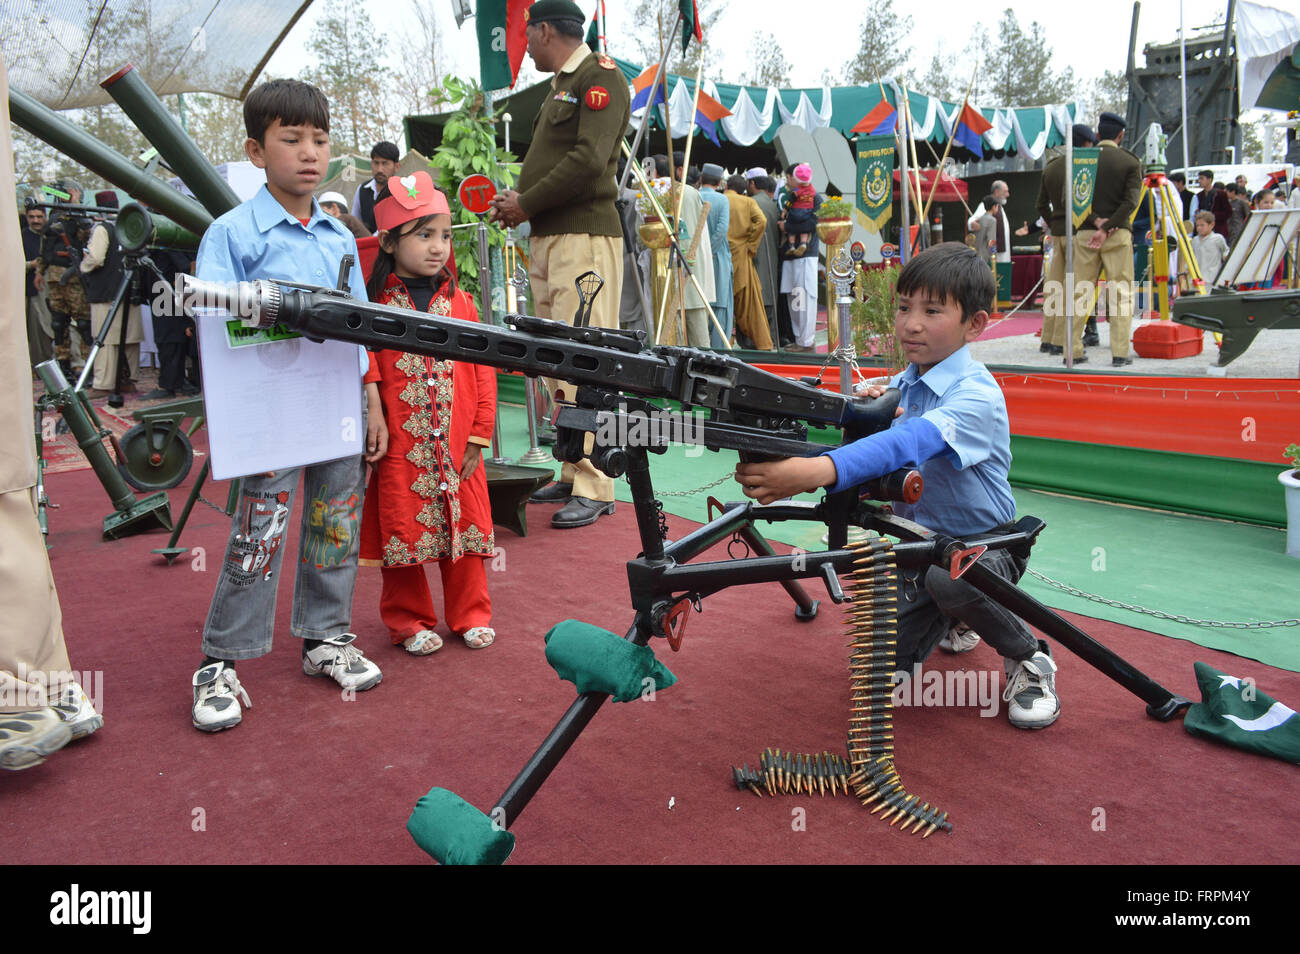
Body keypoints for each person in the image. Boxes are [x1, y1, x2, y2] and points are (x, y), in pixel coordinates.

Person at [733, 242, 1058, 728]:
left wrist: (815, 471)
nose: (911, 323)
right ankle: (958, 616)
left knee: (951, 578)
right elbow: (878, 456)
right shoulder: (902, 386)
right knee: (879, 679)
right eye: (905, 308)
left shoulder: (976, 395)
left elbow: (907, 444)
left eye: (932, 310)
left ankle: (1030, 657)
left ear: (975, 324)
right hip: (920, 548)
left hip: (987, 548)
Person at [189, 78, 388, 733]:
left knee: (335, 522)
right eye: (291, 138)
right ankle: (221, 660)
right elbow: (213, 320)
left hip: (334, 408)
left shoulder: (337, 238)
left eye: (320, 140)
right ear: (255, 149)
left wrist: (373, 402)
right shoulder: (232, 232)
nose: (309, 153)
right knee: (259, 532)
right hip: (268, 414)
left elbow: (361, 327)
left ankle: (326, 637)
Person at [488, 0, 629, 529]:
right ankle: (573, 466)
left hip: (583, 238)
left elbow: (590, 161)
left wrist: (525, 201)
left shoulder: (601, 78)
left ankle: (597, 481)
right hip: (553, 236)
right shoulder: (561, 86)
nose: (527, 46)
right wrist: (519, 198)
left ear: (546, 30)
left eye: (530, 34)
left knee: (585, 358)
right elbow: (559, 162)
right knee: (556, 358)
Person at [1, 54, 103, 770]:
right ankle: (38, 675)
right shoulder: (41, 230)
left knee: (7, 472)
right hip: (48, 288)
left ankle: (27, 682)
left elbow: (97, 253)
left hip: (69, 289)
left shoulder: (77, 223)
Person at [359, 171, 497, 655]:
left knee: (469, 528)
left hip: (459, 444)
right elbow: (368, 369)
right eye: (423, 235)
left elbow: (483, 371)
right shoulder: (373, 306)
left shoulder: (462, 302)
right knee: (403, 530)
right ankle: (409, 621)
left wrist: (479, 436)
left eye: (443, 235)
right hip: (401, 446)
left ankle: (470, 614)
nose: (438, 247)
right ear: (390, 244)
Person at [1071, 111, 1142, 367]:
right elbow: (1131, 202)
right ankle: (1120, 354)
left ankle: (1073, 350)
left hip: (1086, 234)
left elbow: (1074, 200)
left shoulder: (1081, 161)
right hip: (1117, 235)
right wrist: (1109, 225)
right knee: (1121, 292)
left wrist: (1096, 223)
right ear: (1120, 136)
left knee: (1080, 291)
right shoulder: (1130, 162)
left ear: (1098, 135)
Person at [1036, 123, 1096, 356]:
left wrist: (1054, 221)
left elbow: (1040, 204)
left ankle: (1048, 338)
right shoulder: (1086, 165)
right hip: (1078, 232)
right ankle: (1062, 340)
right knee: (1075, 288)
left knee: (1054, 288)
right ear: (1087, 143)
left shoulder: (1051, 167)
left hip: (1058, 231)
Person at [79, 194, 144, 398]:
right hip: (130, 289)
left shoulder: (102, 229)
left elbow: (96, 258)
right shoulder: (131, 225)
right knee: (129, 338)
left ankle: (103, 384)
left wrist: (83, 265)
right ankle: (128, 380)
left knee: (104, 338)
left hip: (105, 292)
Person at [36, 182, 93, 376]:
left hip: (74, 277)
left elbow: (87, 237)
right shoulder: (52, 218)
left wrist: (76, 205)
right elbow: (46, 249)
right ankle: (64, 365)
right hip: (53, 276)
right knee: (58, 323)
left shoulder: (79, 217)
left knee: (84, 323)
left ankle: (88, 367)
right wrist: (39, 271)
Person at [724, 173, 774, 350]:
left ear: (726, 186)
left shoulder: (720, 199)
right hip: (742, 256)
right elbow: (761, 221)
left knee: (723, 302)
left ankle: (724, 344)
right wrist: (751, 245)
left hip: (720, 256)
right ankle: (763, 344)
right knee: (750, 305)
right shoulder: (747, 202)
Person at [779, 162, 821, 353]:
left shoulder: (815, 197)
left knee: (804, 297)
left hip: (806, 254)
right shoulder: (790, 198)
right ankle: (799, 339)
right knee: (794, 297)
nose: (789, 181)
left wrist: (786, 227)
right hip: (790, 256)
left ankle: (806, 341)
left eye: (791, 177)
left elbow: (813, 224)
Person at [698, 162, 733, 349]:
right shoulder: (722, 200)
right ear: (720, 182)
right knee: (720, 305)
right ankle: (719, 351)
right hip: (717, 257)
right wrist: (710, 251)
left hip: (696, 258)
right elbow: (721, 229)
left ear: (701, 179)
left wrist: (702, 252)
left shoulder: (694, 196)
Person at [21, 200, 54, 368]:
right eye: (32, 217)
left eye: (39, 217)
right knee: (38, 332)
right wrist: (31, 265)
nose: (36, 221)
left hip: (56, 290)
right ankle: (42, 368)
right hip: (34, 291)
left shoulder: (52, 234)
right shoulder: (21, 237)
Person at [750, 175, 782, 348]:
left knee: (756, 300)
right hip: (772, 258)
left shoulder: (750, 203)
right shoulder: (773, 205)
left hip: (754, 259)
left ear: (752, 184)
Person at [351, 141, 400, 233]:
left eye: (385, 164)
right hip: (367, 243)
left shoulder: (402, 190)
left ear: (397, 166)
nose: (379, 169)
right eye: (376, 163)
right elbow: (355, 220)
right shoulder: (363, 189)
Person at [780, 163, 817, 257]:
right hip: (790, 258)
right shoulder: (812, 191)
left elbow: (813, 225)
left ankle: (792, 246)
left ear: (794, 177)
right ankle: (802, 243)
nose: (786, 182)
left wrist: (786, 226)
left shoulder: (798, 192)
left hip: (807, 257)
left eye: (787, 178)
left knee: (792, 223)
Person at [1188, 210, 1228, 285]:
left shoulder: (1218, 239)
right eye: (1197, 225)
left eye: (1202, 225)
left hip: (1211, 279)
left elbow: (1226, 252)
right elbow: (1191, 257)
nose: (1199, 228)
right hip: (1197, 280)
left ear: (1212, 225)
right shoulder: (1194, 241)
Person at [973, 195, 998, 266]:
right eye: (997, 206)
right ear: (994, 207)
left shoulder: (979, 219)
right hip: (985, 256)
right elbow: (991, 240)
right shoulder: (992, 220)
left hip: (975, 254)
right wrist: (994, 256)